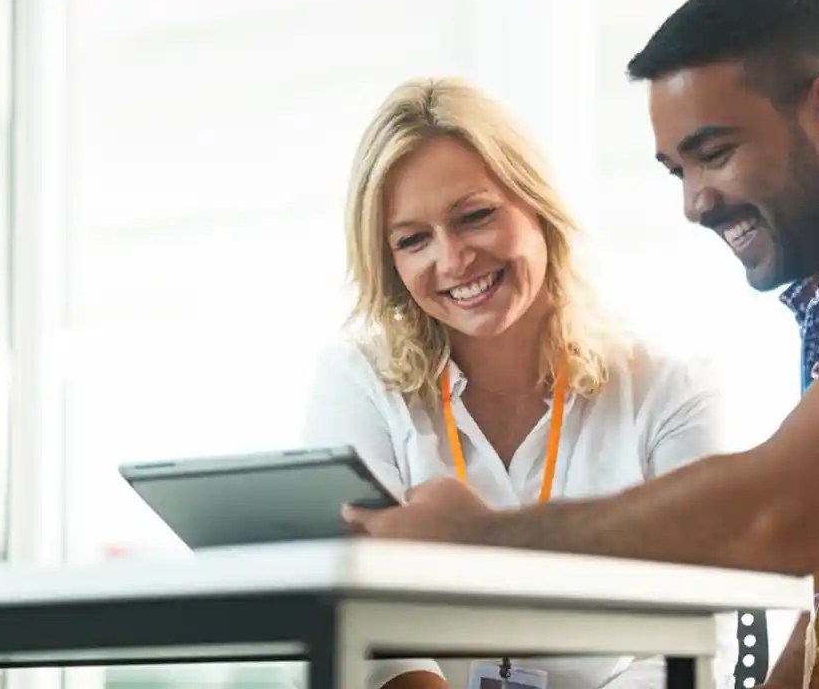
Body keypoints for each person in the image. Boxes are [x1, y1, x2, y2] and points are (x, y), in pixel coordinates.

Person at [343, 0, 819, 688]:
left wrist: (484, 539)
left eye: (714, 154)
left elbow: (783, 515)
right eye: (676, 170)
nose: (695, 203)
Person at [302, 77, 729, 688]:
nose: (451, 261)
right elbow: (347, 617)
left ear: (538, 207)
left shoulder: (671, 387)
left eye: (474, 216)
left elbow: (694, 633)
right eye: (413, 239)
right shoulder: (359, 379)